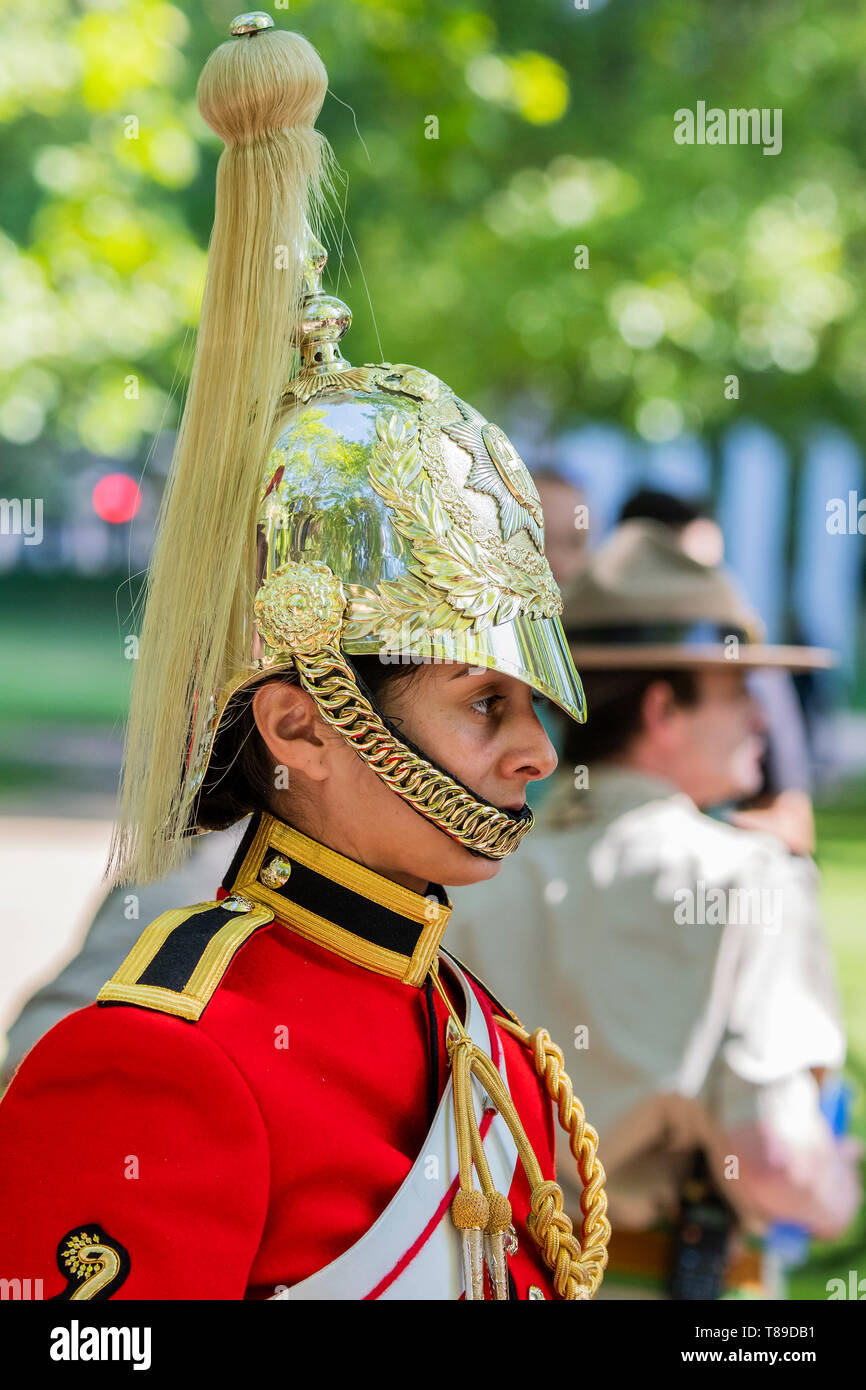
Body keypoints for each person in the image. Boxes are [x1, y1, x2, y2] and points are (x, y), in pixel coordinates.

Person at [0, 14, 609, 1301]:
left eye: (530, 700)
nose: (532, 749)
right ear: (298, 725)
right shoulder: (159, 1061)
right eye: (480, 698)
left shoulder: (480, 1042)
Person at [447, 519, 859, 1298]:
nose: (764, 720)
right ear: (664, 710)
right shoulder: (751, 879)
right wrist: (837, 1190)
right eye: (739, 691)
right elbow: (772, 1158)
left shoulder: (477, 876)